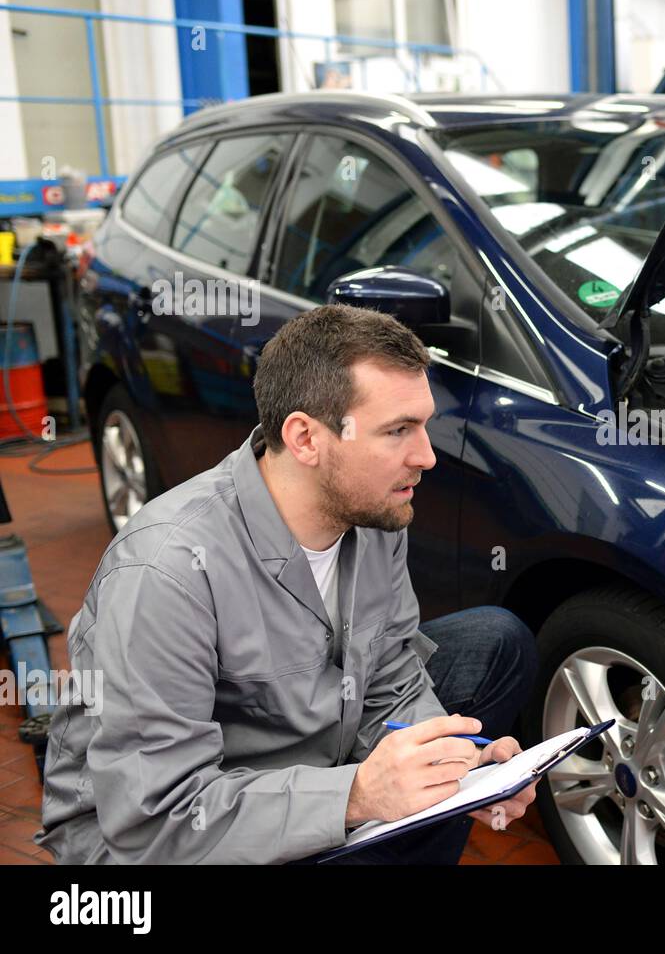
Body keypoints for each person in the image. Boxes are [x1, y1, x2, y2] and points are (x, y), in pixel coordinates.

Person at [36, 304, 538, 864]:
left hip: (306, 757)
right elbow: (155, 819)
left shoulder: (371, 513)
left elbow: (392, 677)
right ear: (304, 438)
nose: (425, 457)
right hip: (154, 839)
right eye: (397, 431)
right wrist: (356, 796)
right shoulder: (167, 570)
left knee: (496, 641)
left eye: (423, 425)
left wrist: (454, 764)